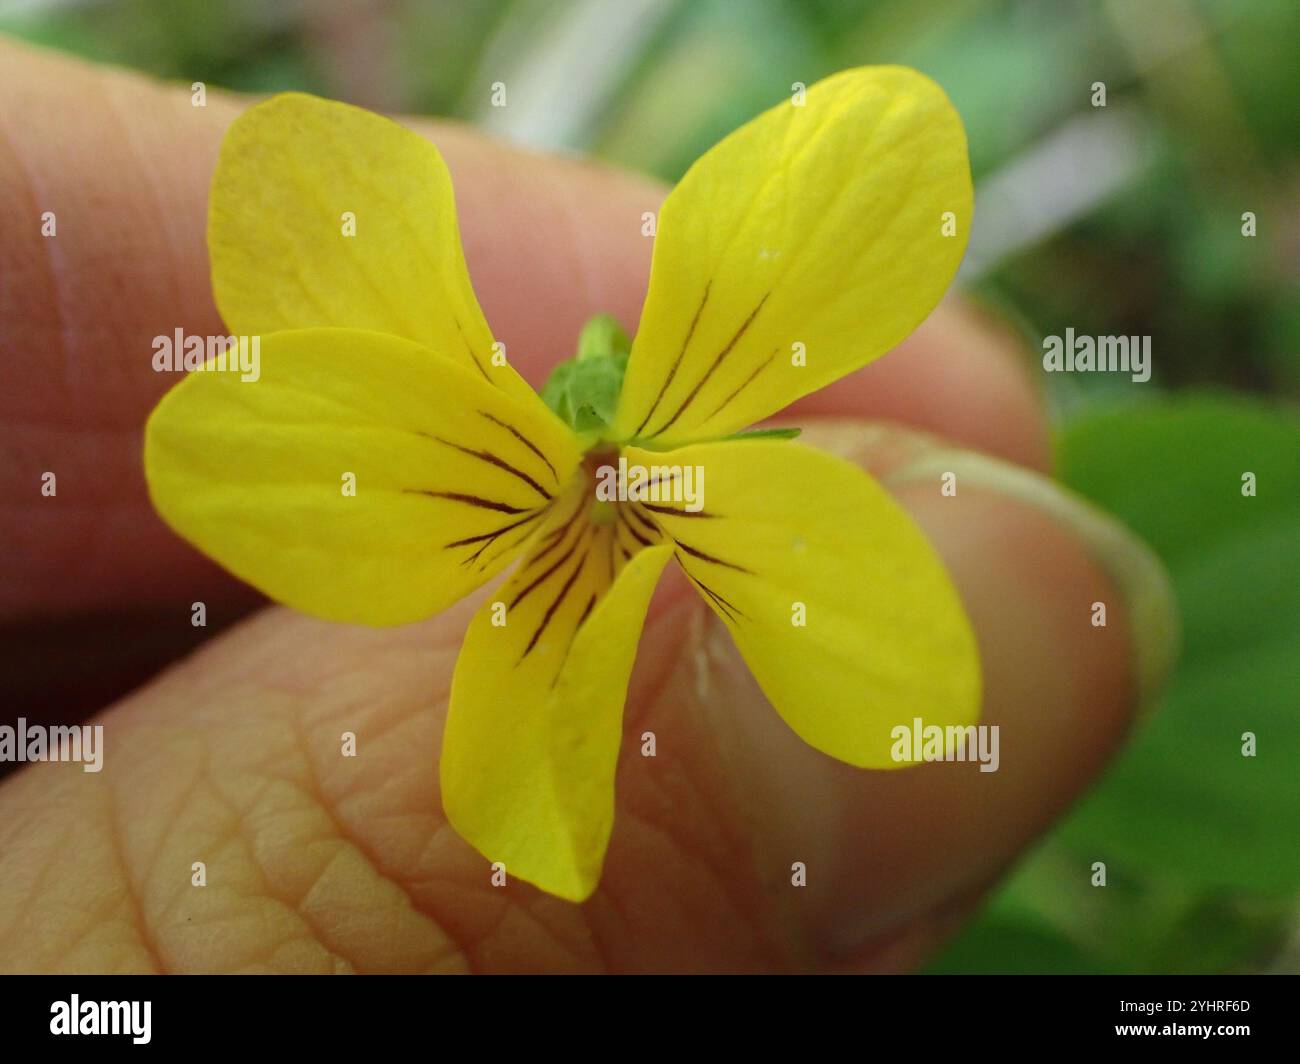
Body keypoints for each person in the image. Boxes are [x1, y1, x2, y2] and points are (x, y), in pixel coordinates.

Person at [0, 38, 1172, 973]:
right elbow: (272, 361)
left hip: (537, 487)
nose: (607, 480)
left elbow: (873, 169)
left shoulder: (580, 499)